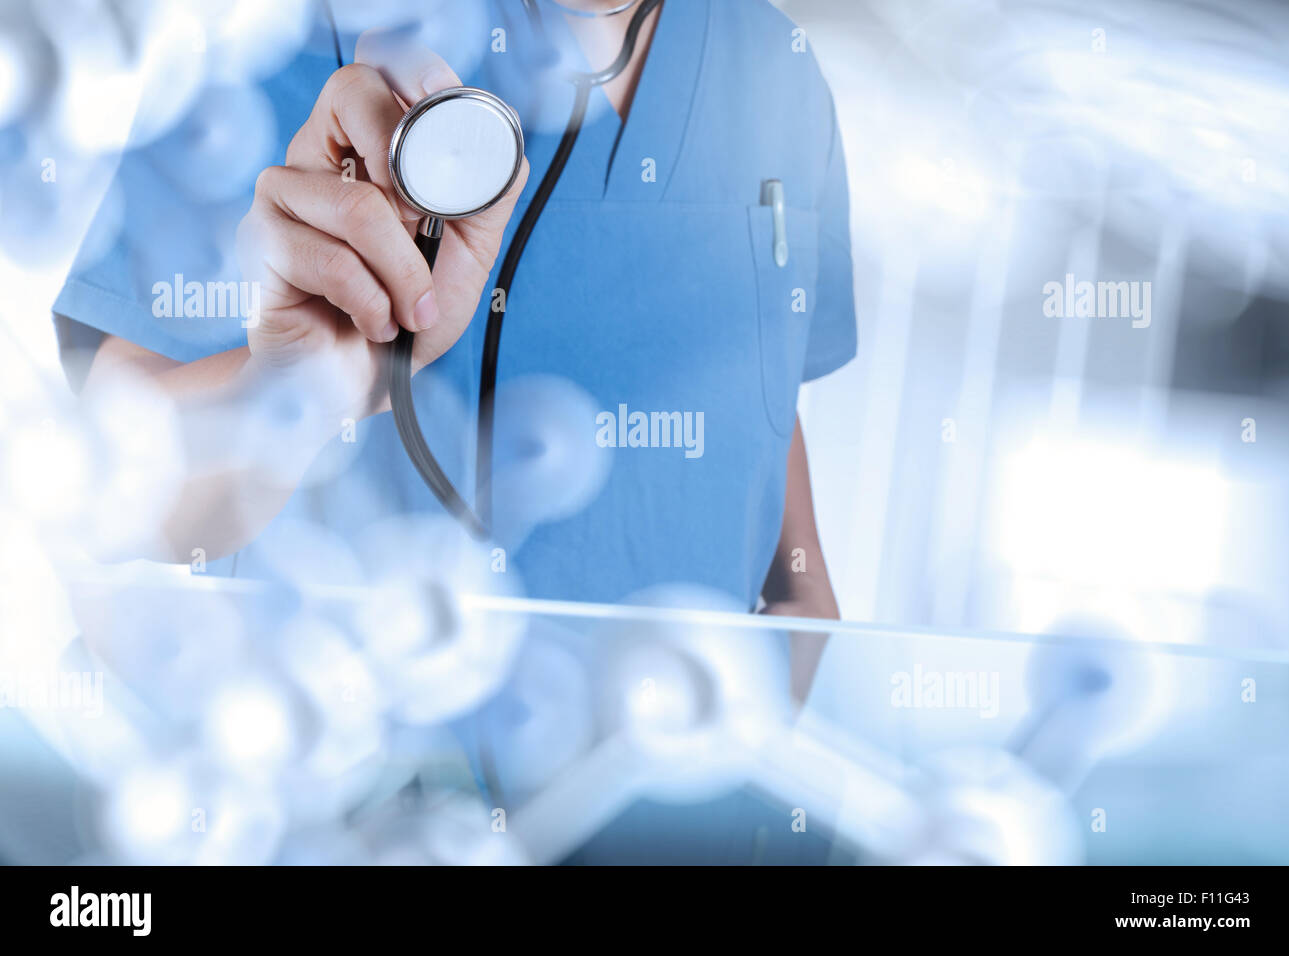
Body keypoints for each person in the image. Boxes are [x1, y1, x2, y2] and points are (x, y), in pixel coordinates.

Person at [54, 0, 856, 863]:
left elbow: (757, 385)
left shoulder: (781, 65)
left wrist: (800, 614)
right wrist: (299, 386)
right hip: (366, 815)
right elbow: (116, 505)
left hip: (683, 817)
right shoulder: (279, 35)